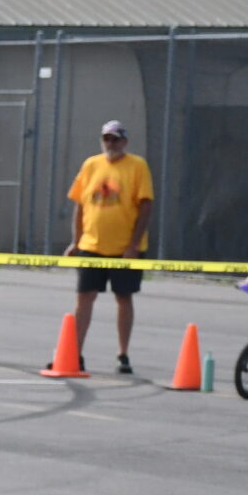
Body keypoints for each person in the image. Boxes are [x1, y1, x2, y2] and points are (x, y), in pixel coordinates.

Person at [60, 119, 155, 375]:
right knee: (84, 297)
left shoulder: (137, 166)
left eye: (115, 139)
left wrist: (133, 245)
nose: (110, 143)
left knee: (123, 297)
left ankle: (123, 353)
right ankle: (74, 353)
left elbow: (146, 205)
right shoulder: (91, 165)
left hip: (124, 247)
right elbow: (80, 205)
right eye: (106, 139)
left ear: (124, 141)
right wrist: (76, 241)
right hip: (92, 244)